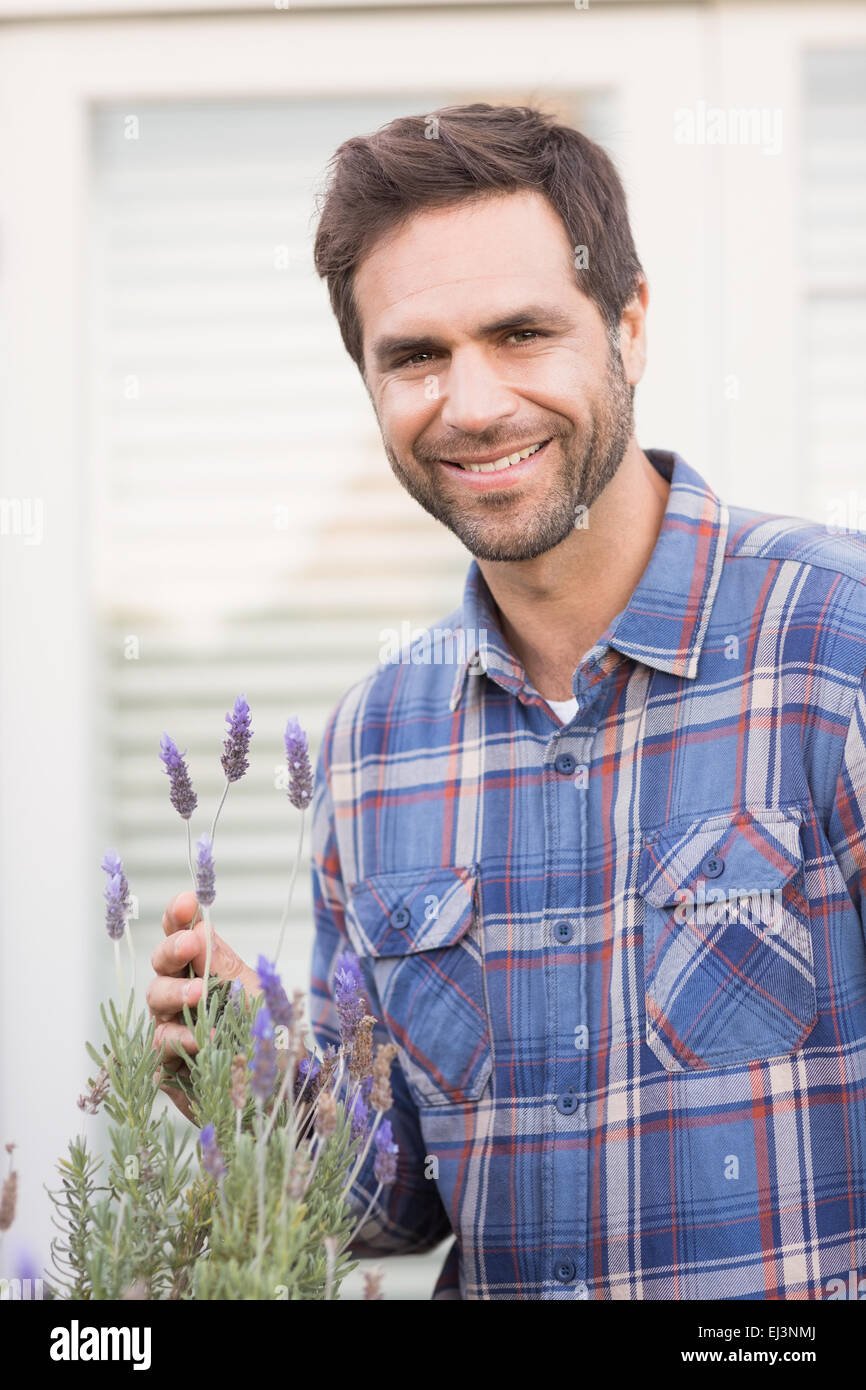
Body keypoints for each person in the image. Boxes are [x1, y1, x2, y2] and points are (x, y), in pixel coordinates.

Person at [148, 104, 866, 1300]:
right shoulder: (374, 745)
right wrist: (248, 1073)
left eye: (521, 332)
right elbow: (392, 1200)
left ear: (626, 328)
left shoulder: (835, 646)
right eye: (415, 355)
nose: (471, 404)